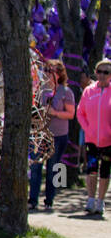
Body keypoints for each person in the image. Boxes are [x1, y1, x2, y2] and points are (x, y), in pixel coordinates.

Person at [30, 60, 76, 211]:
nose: (48, 74)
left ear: (60, 73)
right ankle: (33, 200)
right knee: (36, 168)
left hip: (58, 135)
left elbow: (70, 114)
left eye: (52, 71)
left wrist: (55, 113)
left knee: (53, 168)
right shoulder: (40, 90)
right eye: (46, 70)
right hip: (40, 135)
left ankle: (49, 200)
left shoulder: (66, 92)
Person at [76, 59, 111, 217]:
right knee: (91, 170)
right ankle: (90, 199)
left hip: (108, 141)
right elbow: (80, 112)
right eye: (100, 72)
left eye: (106, 72)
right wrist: (87, 128)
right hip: (91, 139)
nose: (102, 75)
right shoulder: (89, 91)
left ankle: (100, 201)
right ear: (95, 73)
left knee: (104, 171)